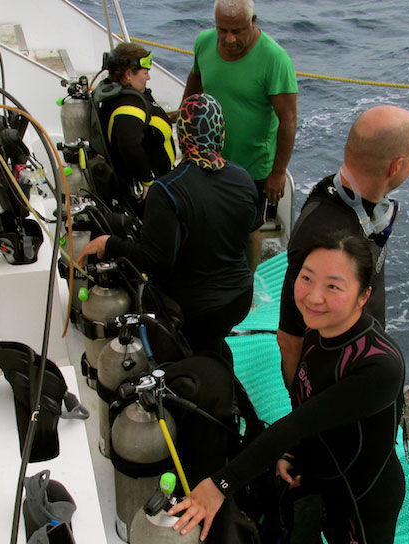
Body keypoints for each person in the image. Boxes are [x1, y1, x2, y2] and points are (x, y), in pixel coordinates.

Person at [170, 232, 409, 544]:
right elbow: (316, 417)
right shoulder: (321, 330)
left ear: (364, 296)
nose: (314, 297)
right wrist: (293, 455)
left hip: (362, 502)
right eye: (306, 278)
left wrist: (219, 485)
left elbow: (298, 420)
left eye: (334, 286)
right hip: (323, 480)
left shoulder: (379, 365)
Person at [76, 93, 259, 359]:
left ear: (181, 136)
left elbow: (155, 260)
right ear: (221, 132)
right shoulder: (243, 178)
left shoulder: (167, 189)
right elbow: (253, 240)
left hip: (196, 310)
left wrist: (109, 243)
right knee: (211, 340)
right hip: (239, 299)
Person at [277, 105, 409, 388]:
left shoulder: (349, 202)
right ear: (396, 166)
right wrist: (303, 406)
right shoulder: (326, 239)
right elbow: (289, 337)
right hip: (336, 376)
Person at [182, 0, 298, 264]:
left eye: (237, 30)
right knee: (208, 220)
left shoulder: (275, 59)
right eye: (223, 30)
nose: (229, 38)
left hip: (252, 166)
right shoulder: (204, 42)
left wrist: (278, 173)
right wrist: (184, 134)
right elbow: (194, 83)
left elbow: (288, 120)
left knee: (248, 231)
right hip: (206, 157)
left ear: (253, 21)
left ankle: (249, 285)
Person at [98, 42, 176, 206]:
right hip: (151, 194)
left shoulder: (126, 95)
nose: (148, 77)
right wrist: (148, 182)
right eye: (145, 72)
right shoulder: (128, 106)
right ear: (128, 74)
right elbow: (129, 145)